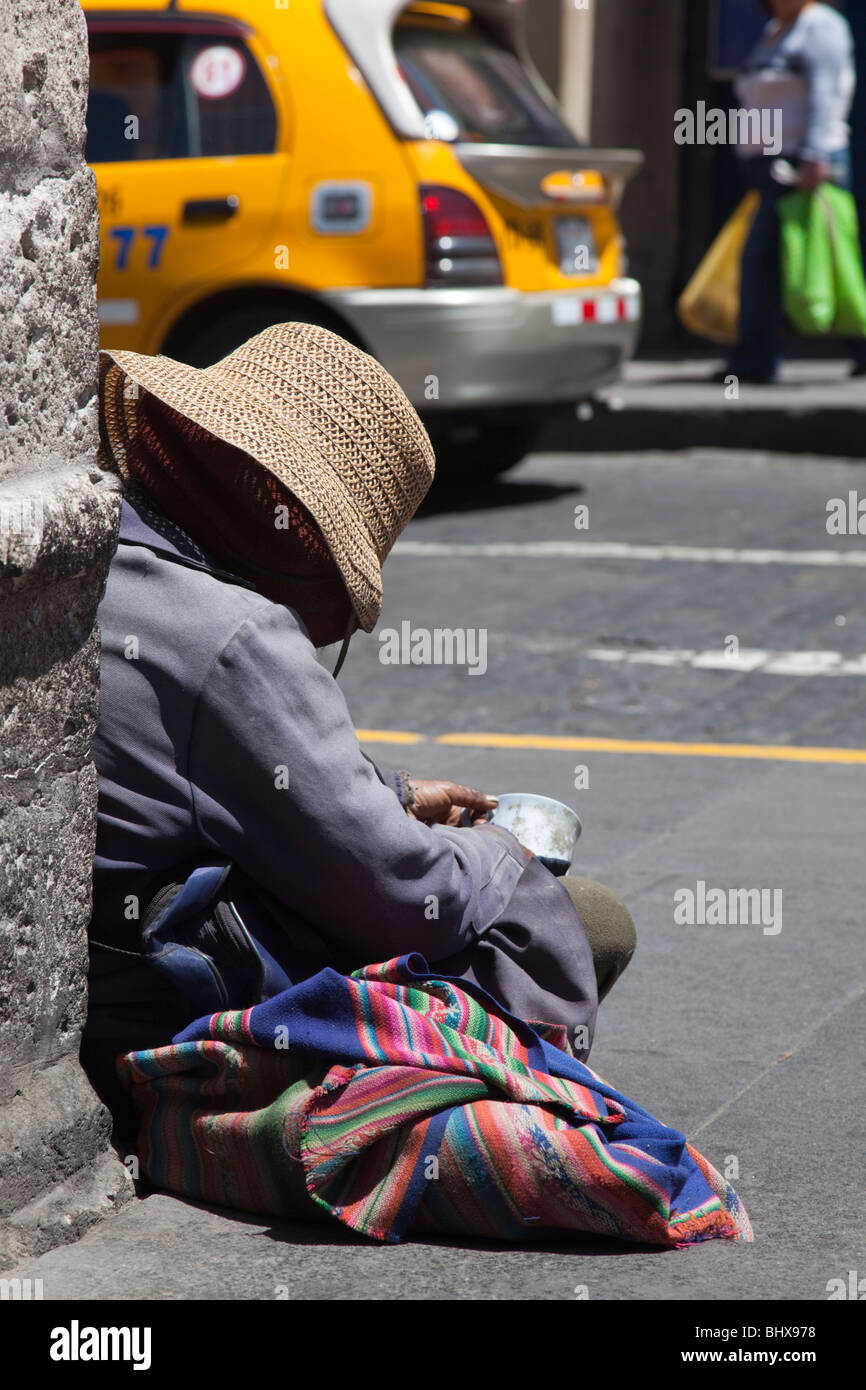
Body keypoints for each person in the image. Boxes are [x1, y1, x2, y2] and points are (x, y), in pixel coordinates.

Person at [82, 322, 636, 1136]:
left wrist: (393, 794)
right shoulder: (234, 635)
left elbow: (216, 770)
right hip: (152, 1017)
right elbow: (405, 897)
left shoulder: (103, 555)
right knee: (590, 919)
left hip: (87, 971)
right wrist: (501, 855)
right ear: (298, 532)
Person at [727, 0, 866, 382]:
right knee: (793, 263)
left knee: (794, 261)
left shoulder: (820, 26)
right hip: (771, 167)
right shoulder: (774, 32)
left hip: (804, 167)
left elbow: (829, 93)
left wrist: (816, 155)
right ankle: (755, 357)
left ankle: (753, 360)